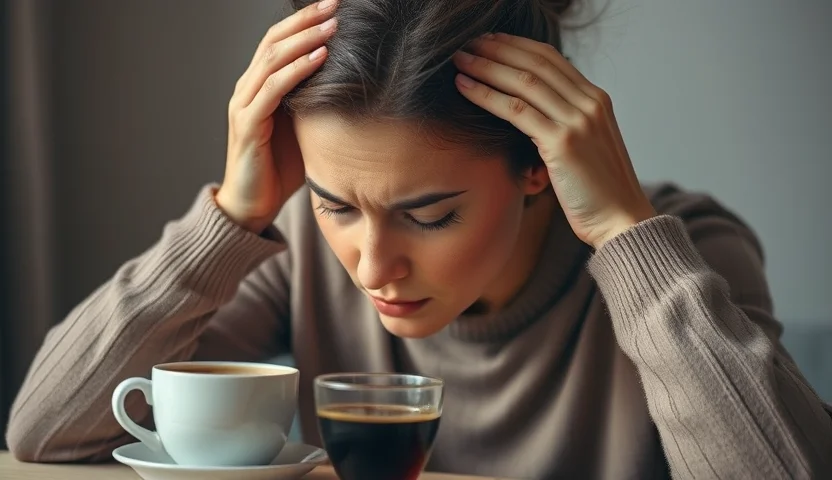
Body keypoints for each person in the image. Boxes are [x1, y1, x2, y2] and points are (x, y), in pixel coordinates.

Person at [5, 0, 832, 478]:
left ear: (538, 165)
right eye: (337, 206)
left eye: (430, 215)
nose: (372, 265)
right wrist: (233, 216)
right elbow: (46, 431)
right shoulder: (291, 246)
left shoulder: (689, 255)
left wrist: (626, 236)